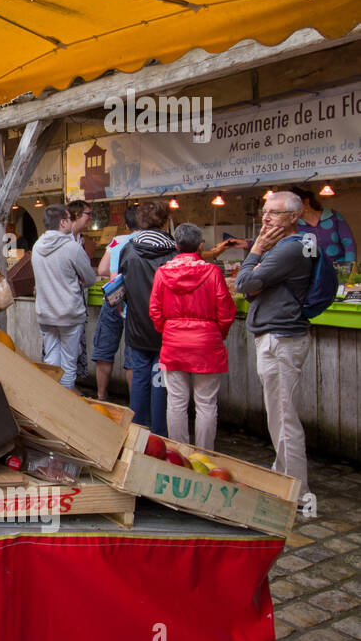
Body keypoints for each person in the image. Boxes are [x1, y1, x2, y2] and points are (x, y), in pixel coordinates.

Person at [234, 190, 314, 499]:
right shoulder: (284, 247)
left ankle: (294, 489)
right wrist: (255, 274)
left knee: (284, 415)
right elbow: (253, 288)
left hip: (280, 338)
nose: (265, 218)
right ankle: (284, 477)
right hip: (277, 335)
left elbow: (244, 285)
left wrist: (254, 253)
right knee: (278, 413)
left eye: (274, 213)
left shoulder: (290, 249)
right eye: (265, 211)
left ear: (293, 217)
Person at [149, 222, 236, 451]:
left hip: (174, 343)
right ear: (200, 245)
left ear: (176, 245)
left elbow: (155, 311)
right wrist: (218, 334)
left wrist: (167, 332)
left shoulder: (162, 273)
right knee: (206, 404)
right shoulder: (212, 272)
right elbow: (226, 311)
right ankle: (205, 453)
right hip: (207, 344)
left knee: (176, 402)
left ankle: (180, 454)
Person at [117, 200, 177, 434]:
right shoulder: (174, 250)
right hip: (166, 325)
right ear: (165, 221)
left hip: (137, 323)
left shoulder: (129, 249)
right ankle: (160, 433)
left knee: (140, 377)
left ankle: (137, 432)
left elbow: (122, 282)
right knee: (160, 379)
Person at [31, 204, 97, 389]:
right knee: (69, 364)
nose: (71, 221)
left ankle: (52, 402)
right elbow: (90, 278)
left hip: (45, 313)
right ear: (62, 222)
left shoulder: (37, 247)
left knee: (52, 363)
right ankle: (66, 405)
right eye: (69, 218)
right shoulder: (71, 248)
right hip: (69, 314)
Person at [91, 205, 138, 400]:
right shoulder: (153, 242)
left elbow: (103, 270)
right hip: (137, 306)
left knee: (104, 349)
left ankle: (102, 396)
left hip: (112, 301)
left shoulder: (118, 242)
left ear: (126, 225)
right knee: (133, 357)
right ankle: (136, 404)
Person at [291, 185, 356, 267]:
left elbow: (349, 243)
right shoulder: (297, 226)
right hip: (319, 271)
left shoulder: (333, 216)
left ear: (306, 202)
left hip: (342, 267)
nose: (291, 209)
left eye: (293, 205)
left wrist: (349, 268)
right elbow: (310, 255)